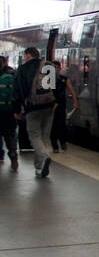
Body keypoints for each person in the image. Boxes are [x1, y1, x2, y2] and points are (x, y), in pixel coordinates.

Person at [13, 46, 57, 178]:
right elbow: (55, 85)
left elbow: (18, 90)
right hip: (49, 105)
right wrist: (56, 101)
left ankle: (44, 157)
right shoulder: (49, 65)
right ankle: (40, 166)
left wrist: (17, 109)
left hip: (33, 106)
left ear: (28, 55)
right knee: (45, 136)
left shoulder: (24, 68)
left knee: (34, 135)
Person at [49, 59, 78, 152]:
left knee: (61, 124)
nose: (55, 69)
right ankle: (54, 146)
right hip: (51, 106)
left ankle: (63, 142)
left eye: (57, 67)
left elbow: (71, 90)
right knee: (52, 126)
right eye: (53, 68)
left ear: (60, 68)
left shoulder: (64, 79)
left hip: (61, 106)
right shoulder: (48, 80)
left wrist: (75, 101)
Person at [0, 58, 17, 170]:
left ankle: (2, 156)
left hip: (5, 111)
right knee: (10, 135)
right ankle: (13, 157)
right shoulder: (12, 75)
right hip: (9, 111)